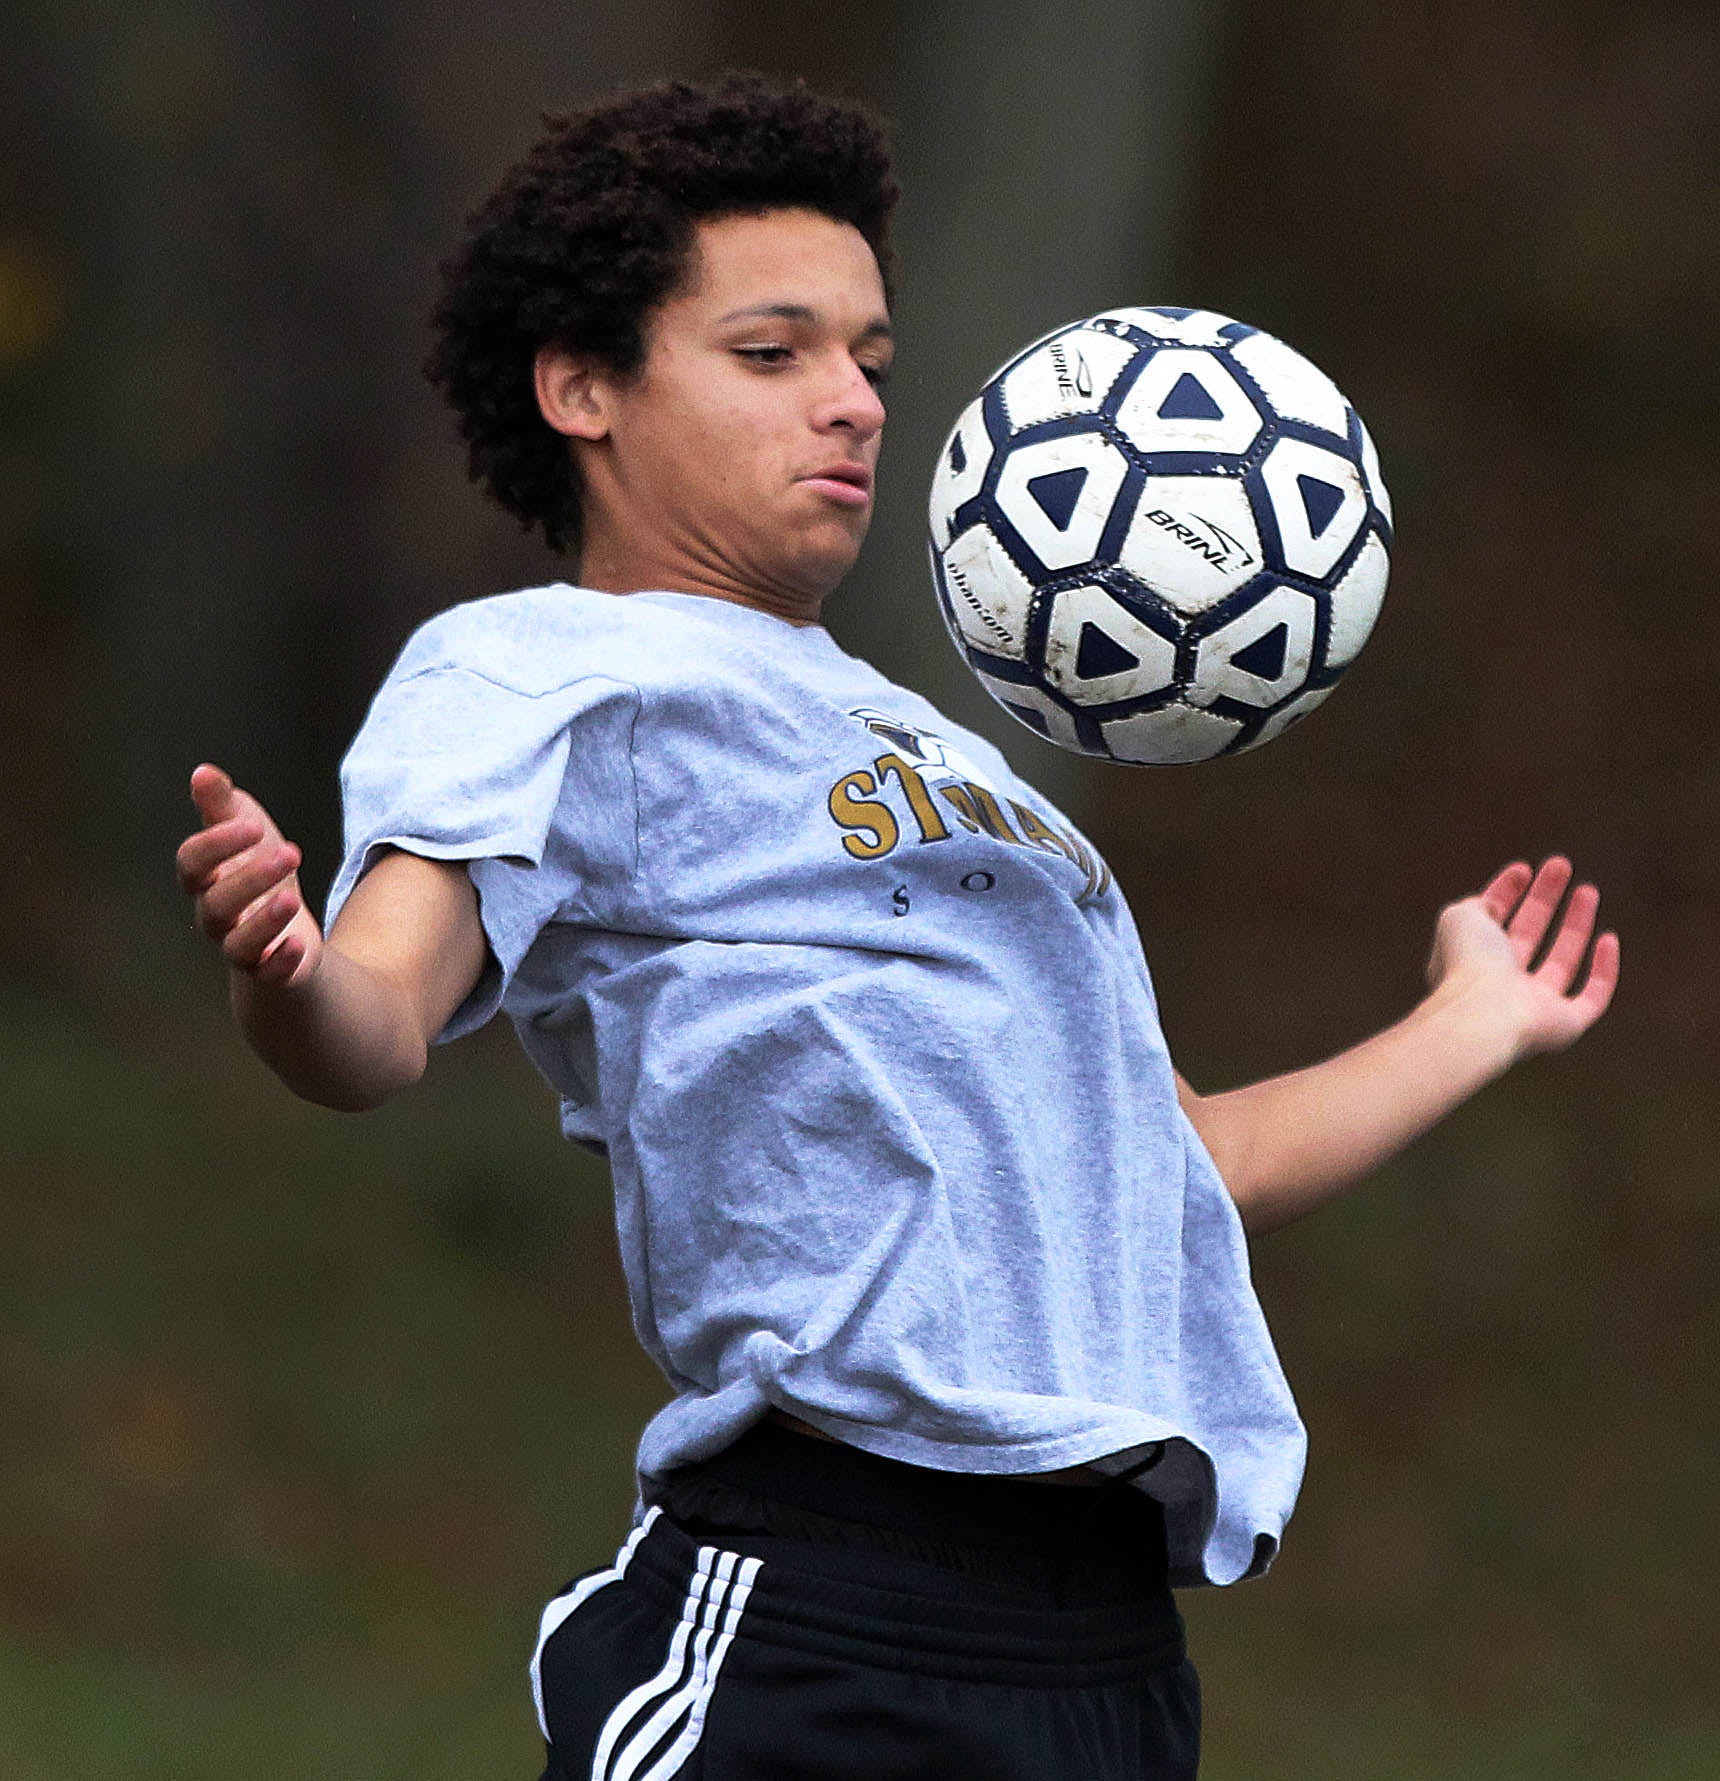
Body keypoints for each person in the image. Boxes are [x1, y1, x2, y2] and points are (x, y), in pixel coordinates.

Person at [173, 72, 1618, 1781]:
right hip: (821, 1608)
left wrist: (1468, 1019)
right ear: (582, 387)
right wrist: (289, 971)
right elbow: (378, 1024)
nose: (854, 403)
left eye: (870, 357)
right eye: (773, 353)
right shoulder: (539, 667)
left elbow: (1162, 1169)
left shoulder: (947, 753)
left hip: (1103, 1650)